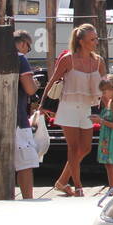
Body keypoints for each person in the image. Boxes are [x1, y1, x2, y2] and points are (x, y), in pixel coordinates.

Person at [41, 23, 105, 197]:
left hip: (87, 107)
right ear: (81, 41)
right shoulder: (67, 59)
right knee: (73, 147)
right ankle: (78, 186)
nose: (96, 42)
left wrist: (111, 107)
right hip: (68, 105)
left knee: (85, 148)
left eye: (96, 38)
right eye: (92, 39)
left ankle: (62, 181)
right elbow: (53, 80)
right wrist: (42, 104)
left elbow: (105, 86)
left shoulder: (98, 61)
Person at [13, 31, 40, 199]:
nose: (26, 51)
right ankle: (28, 199)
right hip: (18, 118)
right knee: (26, 162)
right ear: (23, 43)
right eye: (28, 48)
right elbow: (30, 89)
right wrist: (36, 84)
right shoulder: (20, 59)